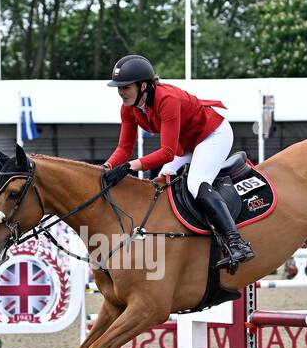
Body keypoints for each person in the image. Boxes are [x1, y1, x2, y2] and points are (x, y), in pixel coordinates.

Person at [100, 54, 254, 271]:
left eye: (125, 86)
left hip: (212, 135)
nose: (120, 92)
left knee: (195, 182)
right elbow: (124, 148)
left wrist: (131, 166)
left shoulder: (166, 99)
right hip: (187, 143)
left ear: (143, 86)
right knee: (160, 182)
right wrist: (105, 168)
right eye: (118, 87)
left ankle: (236, 242)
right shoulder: (129, 108)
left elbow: (167, 152)